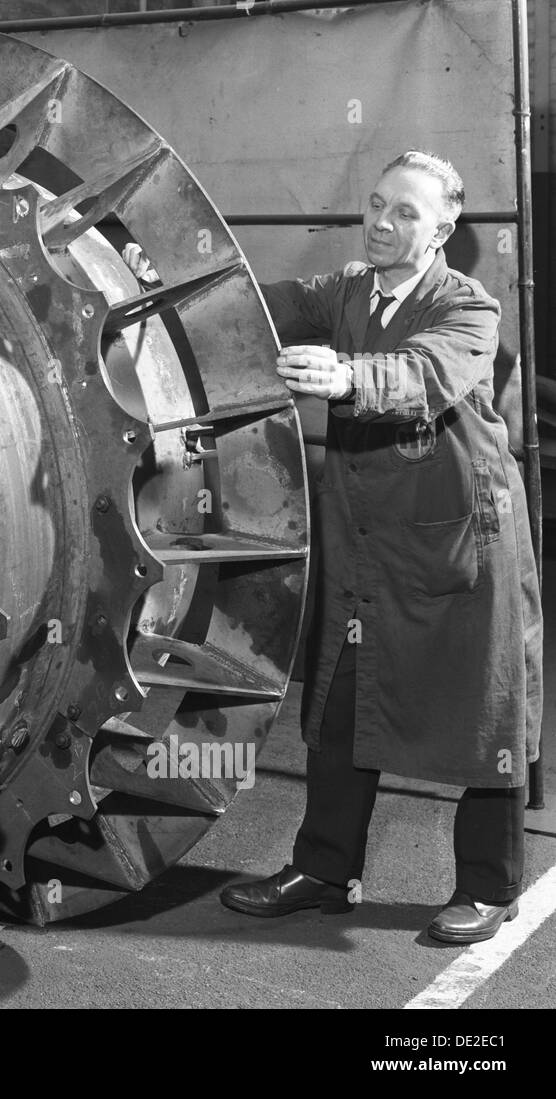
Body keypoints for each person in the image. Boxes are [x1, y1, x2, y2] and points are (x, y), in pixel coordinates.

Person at [218, 150, 543, 943]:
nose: (383, 222)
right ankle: (325, 869)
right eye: (375, 204)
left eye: (406, 212)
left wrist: (344, 378)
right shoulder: (349, 289)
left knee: (484, 714)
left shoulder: (468, 307)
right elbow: (259, 307)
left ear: (444, 228)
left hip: (460, 543)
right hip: (370, 541)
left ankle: (487, 886)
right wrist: (161, 284)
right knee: (340, 703)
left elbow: (422, 374)